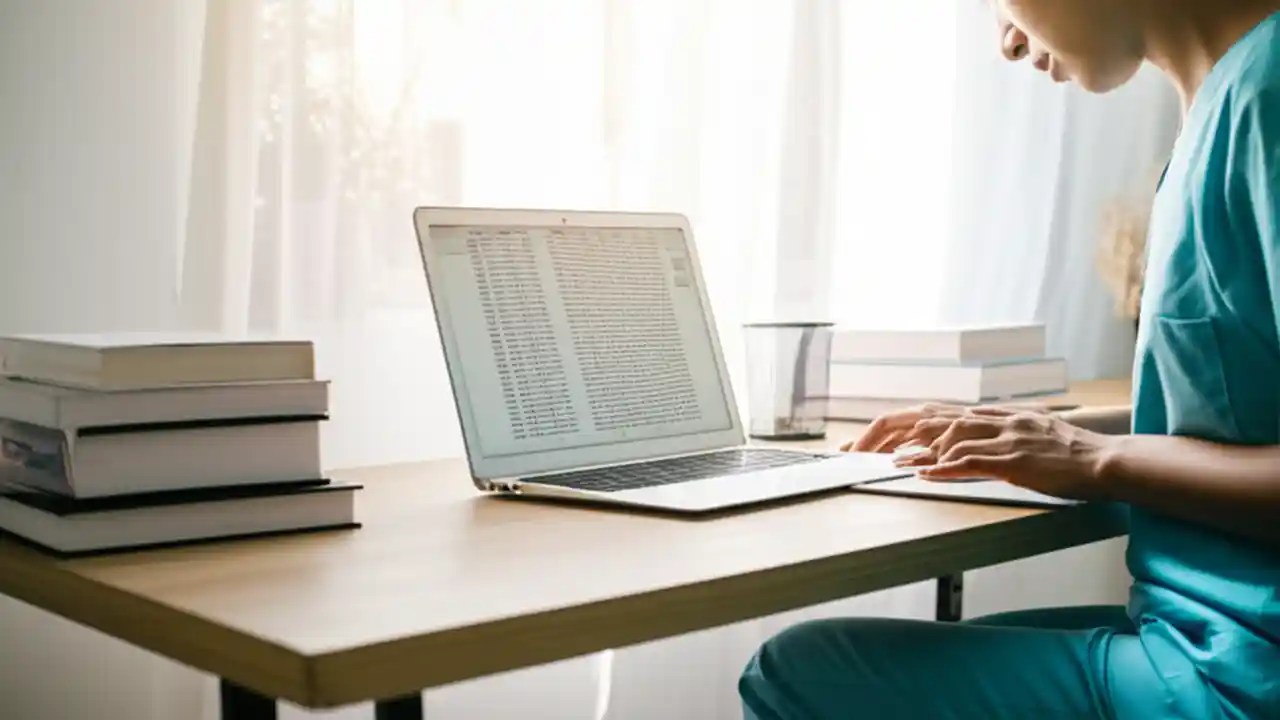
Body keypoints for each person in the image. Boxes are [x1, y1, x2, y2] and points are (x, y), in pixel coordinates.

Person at [739, 0, 1280, 717]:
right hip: (1206, 640)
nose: (1007, 41)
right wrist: (1051, 438)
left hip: (1236, 677)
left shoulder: (1265, 96)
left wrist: (1096, 460)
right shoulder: (1222, 102)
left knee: (800, 674)